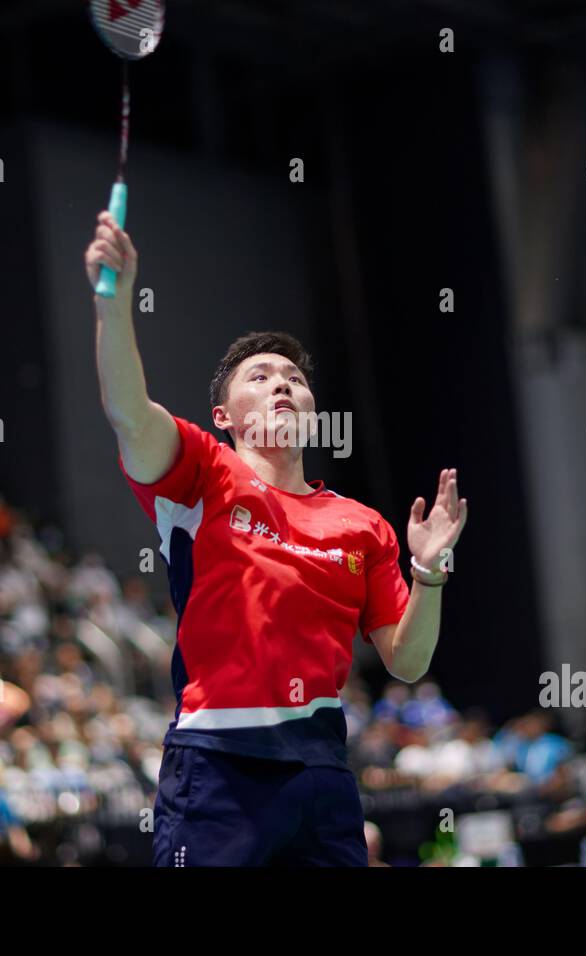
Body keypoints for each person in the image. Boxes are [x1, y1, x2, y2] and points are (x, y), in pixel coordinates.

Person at [85, 211, 469, 866]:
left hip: (321, 774)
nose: (282, 384)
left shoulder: (362, 525)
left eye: (293, 377)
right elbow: (127, 409)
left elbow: (407, 661)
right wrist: (113, 305)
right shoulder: (202, 476)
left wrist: (430, 573)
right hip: (218, 769)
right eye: (259, 377)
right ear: (223, 416)